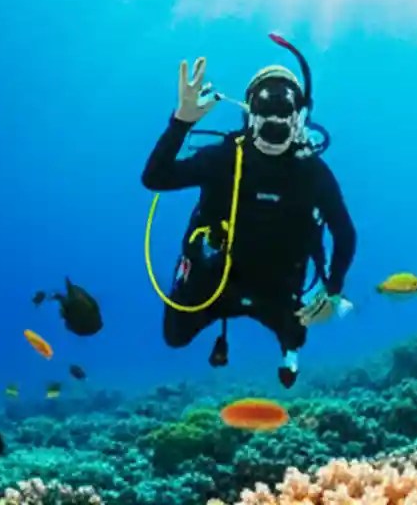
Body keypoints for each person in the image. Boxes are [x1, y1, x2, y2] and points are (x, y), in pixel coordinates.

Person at [141, 48, 356, 389]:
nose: (274, 121)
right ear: (249, 113)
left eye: (284, 110)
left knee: (295, 334)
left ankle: (289, 352)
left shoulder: (312, 172)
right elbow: (155, 177)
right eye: (264, 109)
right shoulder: (225, 159)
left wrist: (330, 291)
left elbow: (345, 234)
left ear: (299, 116)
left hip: (276, 286)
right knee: (174, 337)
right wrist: (181, 121)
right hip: (215, 279)